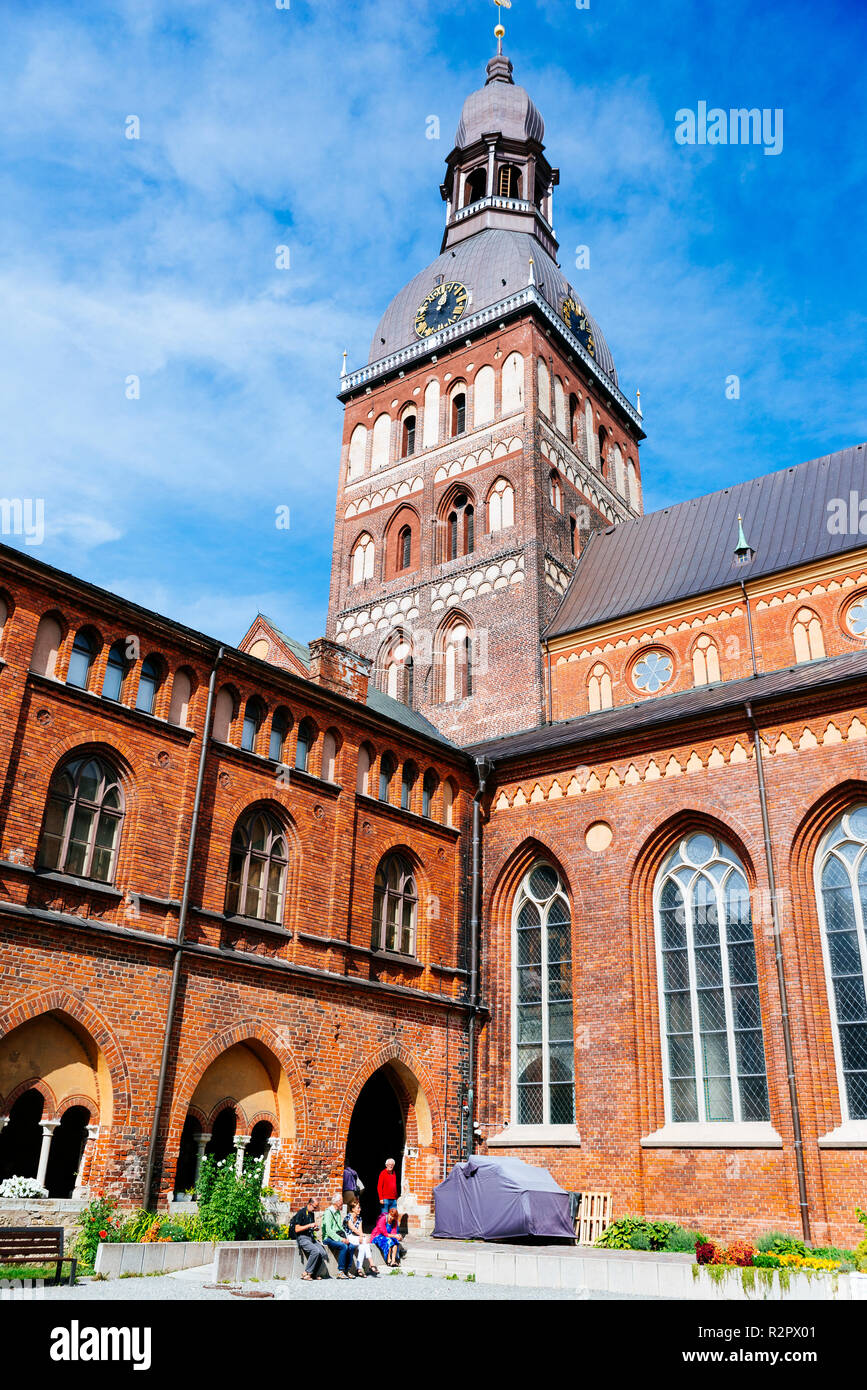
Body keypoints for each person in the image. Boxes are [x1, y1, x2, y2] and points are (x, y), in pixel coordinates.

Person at [291, 1196, 330, 1281]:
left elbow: (310, 1227)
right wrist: (309, 1225)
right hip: (302, 1237)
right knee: (315, 1251)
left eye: (316, 1208)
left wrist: (314, 1228)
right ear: (309, 1204)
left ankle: (313, 1274)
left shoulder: (311, 1213)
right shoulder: (301, 1213)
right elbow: (297, 1229)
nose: (315, 1209)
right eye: (315, 1207)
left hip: (310, 1237)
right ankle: (306, 1273)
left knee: (323, 1253)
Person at [321, 1193, 357, 1278]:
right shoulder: (328, 1212)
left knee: (351, 1246)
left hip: (337, 1236)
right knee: (343, 1246)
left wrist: (346, 1238)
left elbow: (340, 1228)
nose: (342, 1203)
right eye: (341, 1201)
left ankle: (347, 1271)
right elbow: (329, 1231)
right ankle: (340, 1271)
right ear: (337, 1202)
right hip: (328, 1238)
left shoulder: (337, 1212)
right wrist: (341, 1239)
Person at [344, 1196, 376, 1277]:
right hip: (348, 1237)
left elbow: (360, 1230)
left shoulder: (359, 1218)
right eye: (358, 1208)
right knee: (365, 1241)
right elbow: (353, 1229)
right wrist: (363, 1236)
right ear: (353, 1209)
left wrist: (361, 1236)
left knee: (362, 1246)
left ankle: (359, 1269)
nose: (360, 1209)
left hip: (355, 1237)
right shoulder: (348, 1217)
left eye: (360, 1207)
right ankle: (371, 1263)